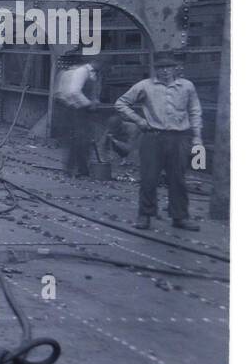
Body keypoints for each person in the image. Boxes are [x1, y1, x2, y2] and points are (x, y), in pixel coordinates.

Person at [115, 54, 203, 231]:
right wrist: (139, 121)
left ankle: (180, 217)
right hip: (153, 137)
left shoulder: (187, 86)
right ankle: (145, 216)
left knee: (178, 179)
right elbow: (121, 103)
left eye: (168, 67)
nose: (164, 71)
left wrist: (197, 136)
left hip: (179, 138)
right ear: (155, 69)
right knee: (149, 178)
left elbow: (195, 111)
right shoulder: (145, 86)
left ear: (175, 68)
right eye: (160, 68)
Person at [54, 53, 102, 177]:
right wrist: (88, 103)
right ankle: (72, 169)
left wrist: (95, 101)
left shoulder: (91, 73)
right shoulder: (81, 72)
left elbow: (61, 93)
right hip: (77, 110)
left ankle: (81, 169)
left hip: (79, 110)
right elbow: (73, 92)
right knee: (78, 141)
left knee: (83, 141)